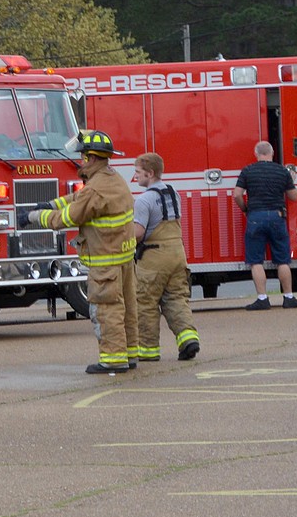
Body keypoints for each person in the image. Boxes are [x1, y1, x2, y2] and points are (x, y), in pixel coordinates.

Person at [22, 130, 139, 374]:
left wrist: (34, 216)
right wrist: (51, 203)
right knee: (126, 308)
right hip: (124, 259)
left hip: (105, 262)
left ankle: (112, 360)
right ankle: (129, 354)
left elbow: (67, 218)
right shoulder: (113, 179)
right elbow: (79, 197)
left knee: (107, 310)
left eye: (84, 156)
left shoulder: (95, 189)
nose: (81, 161)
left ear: (92, 158)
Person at [131, 153, 200, 361]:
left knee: (145, 302)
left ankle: (148, 350)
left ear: (150, 173)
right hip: (177, 254)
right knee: (177, 298)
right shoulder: (173, 193)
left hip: (153, 257)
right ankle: (188, 339)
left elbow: (138, 233)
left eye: (138, 172)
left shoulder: (143, 200)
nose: (135, 177)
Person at [233, 140, 297, 310]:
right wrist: (292, 180)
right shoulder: (281, 171)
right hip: (277, 217)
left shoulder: (248, 170)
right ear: (272, 153)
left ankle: (263, 299)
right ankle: (288, 297)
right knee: (283, 260)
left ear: (256, 154)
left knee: (256, 261)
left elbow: (237, 195)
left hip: (255, 217)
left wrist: (246, 209)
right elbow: (294, 196)